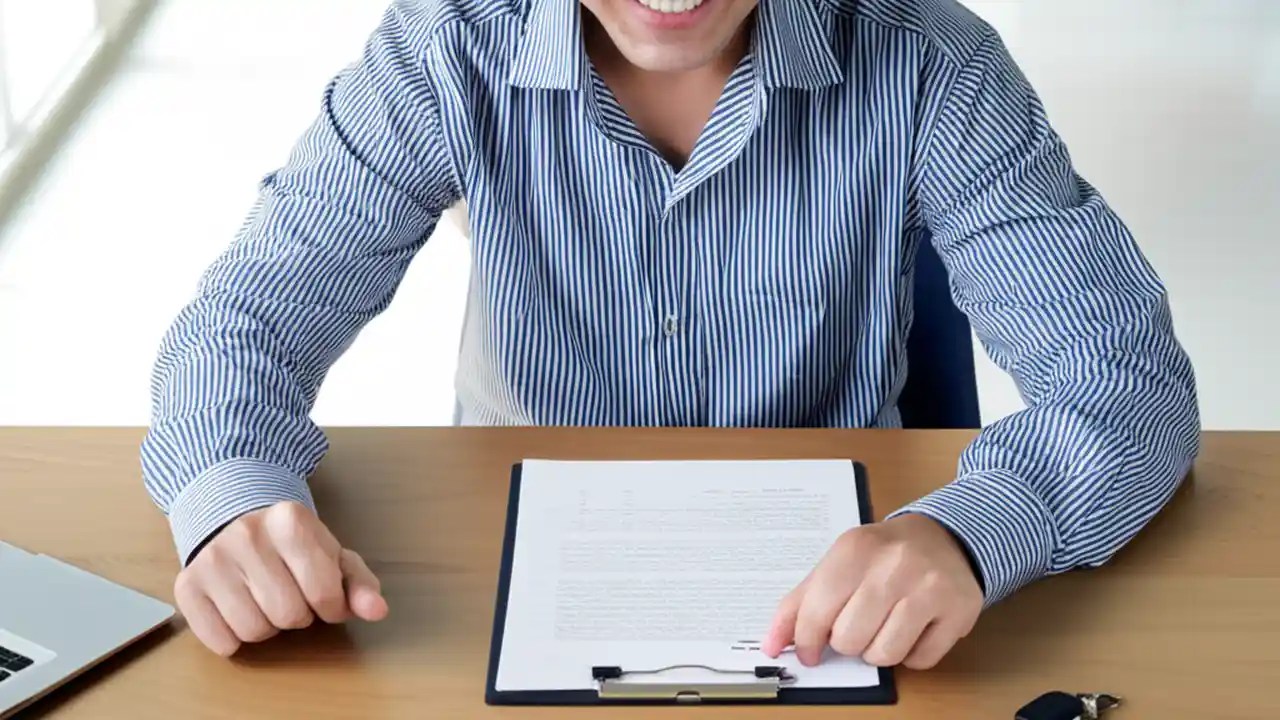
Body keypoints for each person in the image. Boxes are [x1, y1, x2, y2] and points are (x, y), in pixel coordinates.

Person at [141, 0, 1200, 667]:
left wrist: (968, 532)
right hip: (505, 581)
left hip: (831, 606)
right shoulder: (445, 48)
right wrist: (234, 495)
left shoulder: (931, 62)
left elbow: (1124, 382)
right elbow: (244, 322)